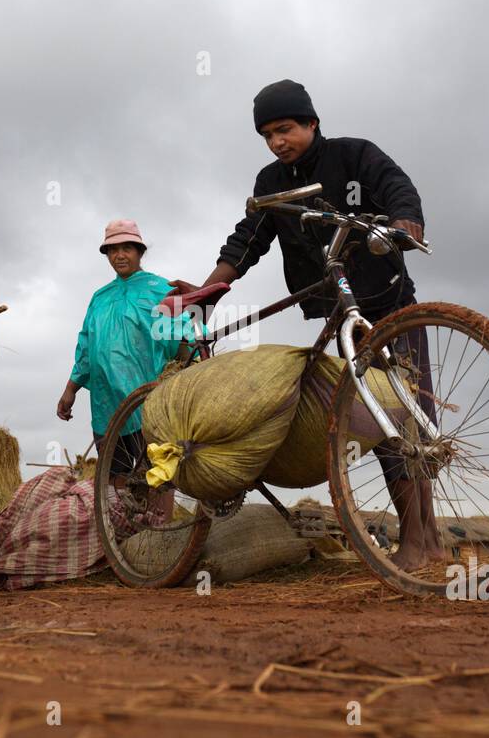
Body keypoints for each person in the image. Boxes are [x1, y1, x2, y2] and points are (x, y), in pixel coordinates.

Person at [169, 79, 445, 568]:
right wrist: (210, 290)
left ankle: (428, 544)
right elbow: (247, 239)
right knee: (381, 421)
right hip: (343, 313)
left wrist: (404, 222)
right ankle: (416, 542)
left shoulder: (354, 155)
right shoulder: (270, 183)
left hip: (388, 301)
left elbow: (397, 186)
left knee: (415, 417)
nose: (278, 141)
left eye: (286, 128)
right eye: (268, 135)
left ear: (311, 123)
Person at [57, 220, 191, 484]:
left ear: (140, 251)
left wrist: (194, 371)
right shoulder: (100, 297)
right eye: (113, 249)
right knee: (114, 479)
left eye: (127, 248)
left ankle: (158, 524)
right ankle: (120, 524)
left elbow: (184, 334)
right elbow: (86, 347)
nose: (119, 255)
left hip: (148, 401)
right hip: (106, 405)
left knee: (158, 474)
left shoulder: (161, 289)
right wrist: (70, 389)